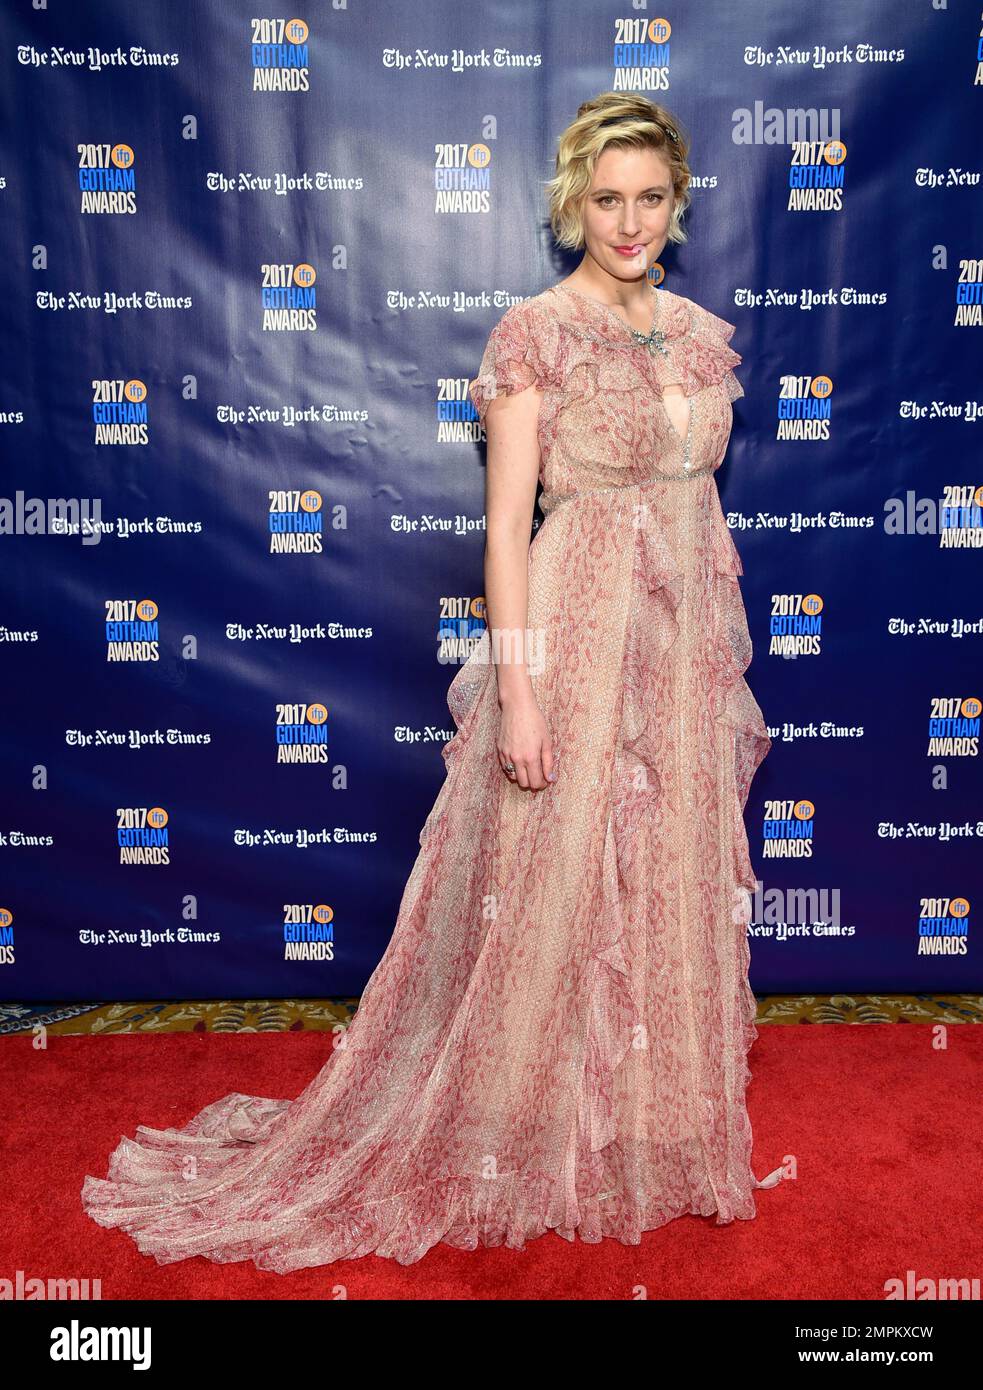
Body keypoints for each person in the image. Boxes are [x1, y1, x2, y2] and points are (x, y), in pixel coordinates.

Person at [81, 91, 783, 1273]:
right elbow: (506, 532)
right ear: (571, 206)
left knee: (659, 883)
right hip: (570, 634)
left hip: (675, 653)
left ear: (676, 201)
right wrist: (518, 691)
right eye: (605, 200)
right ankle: (512, 1136)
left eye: (649, 198)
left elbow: (696, 503)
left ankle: (639, 1133)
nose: (628, 222)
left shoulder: (699, 333)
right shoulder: (533, 335)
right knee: (550, 888)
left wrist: (710, 656)